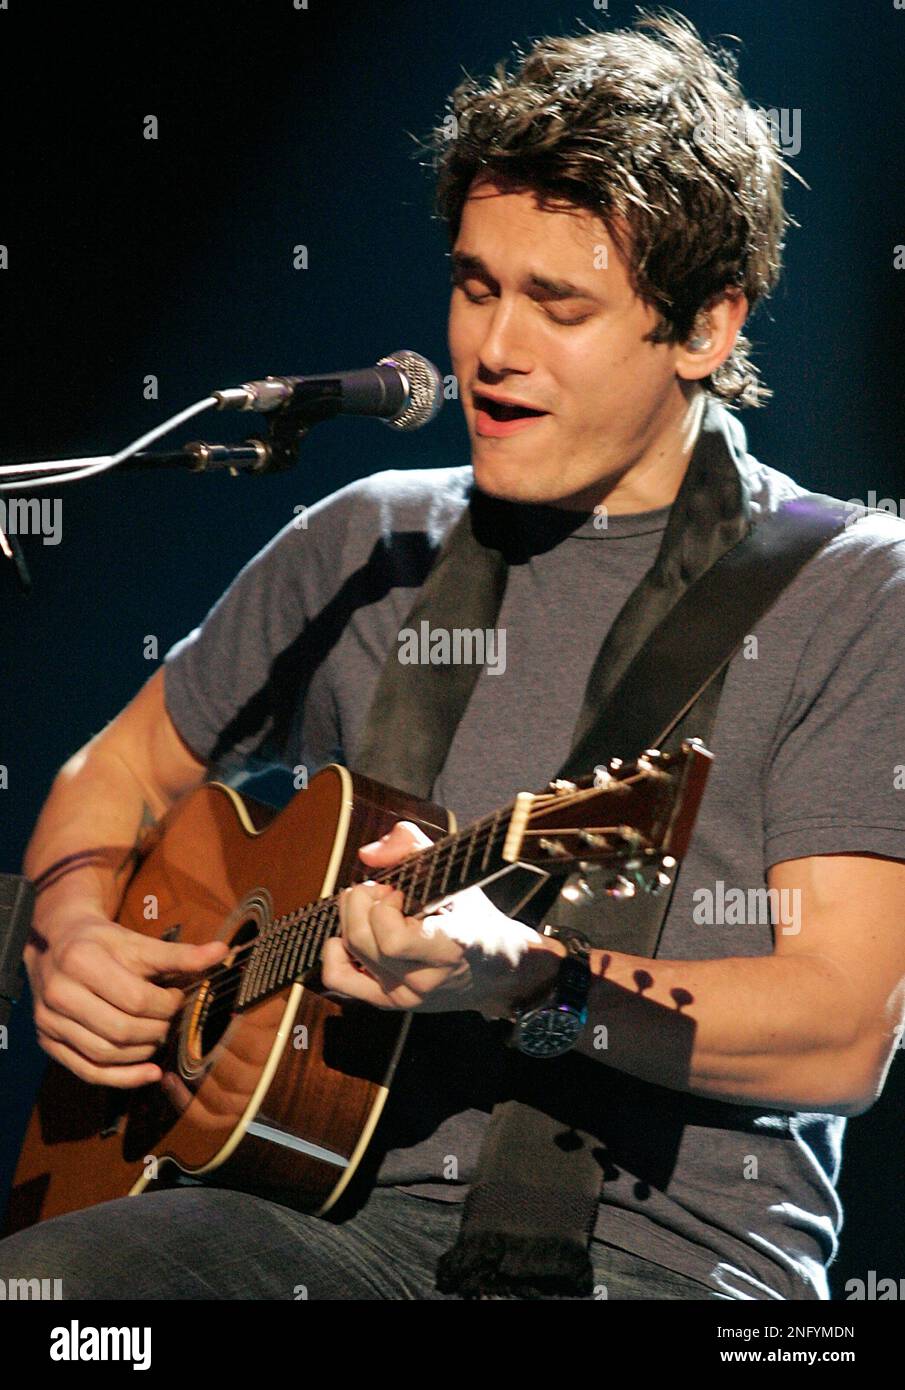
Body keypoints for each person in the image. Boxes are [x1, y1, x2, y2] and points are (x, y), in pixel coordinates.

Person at [3, 11, 905, 1302]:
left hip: (653, 1266)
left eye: (558, 303)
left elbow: (838, 1035)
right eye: (476, 284)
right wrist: (75, 928)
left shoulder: (856, 590)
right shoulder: (372, 542)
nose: (490, 349)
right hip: (290, 1215)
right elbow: (117, 766)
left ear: (705, 326)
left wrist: (534, 984)